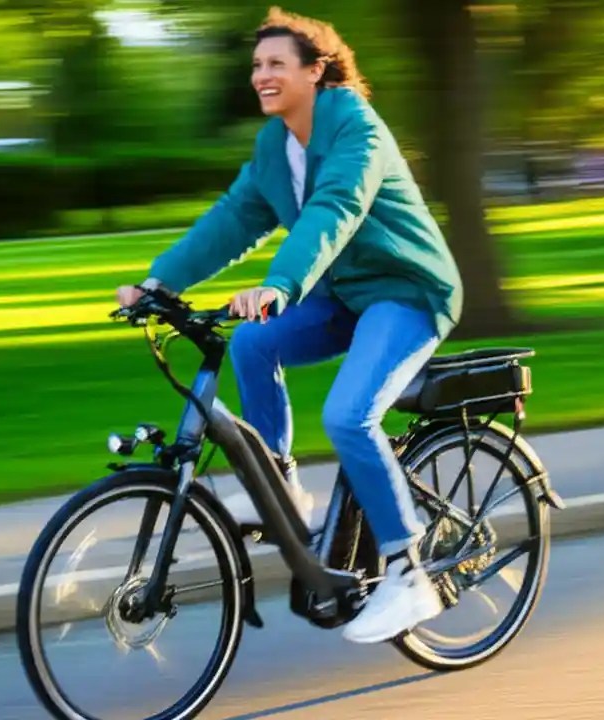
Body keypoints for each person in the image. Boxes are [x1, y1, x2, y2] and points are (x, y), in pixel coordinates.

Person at [116, 7, 463, 645]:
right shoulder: (275, 147)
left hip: (405, 293)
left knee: (349, 416)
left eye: (276, 63)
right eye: (256, 65)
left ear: (316, 71)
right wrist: (159, 283)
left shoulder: (356, 128)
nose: (261, 75)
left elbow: (336, 208)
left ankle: (408, 573)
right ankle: (279, 485)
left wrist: (280, 285)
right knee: (251, 341)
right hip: (341, 296)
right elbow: (232, 219)